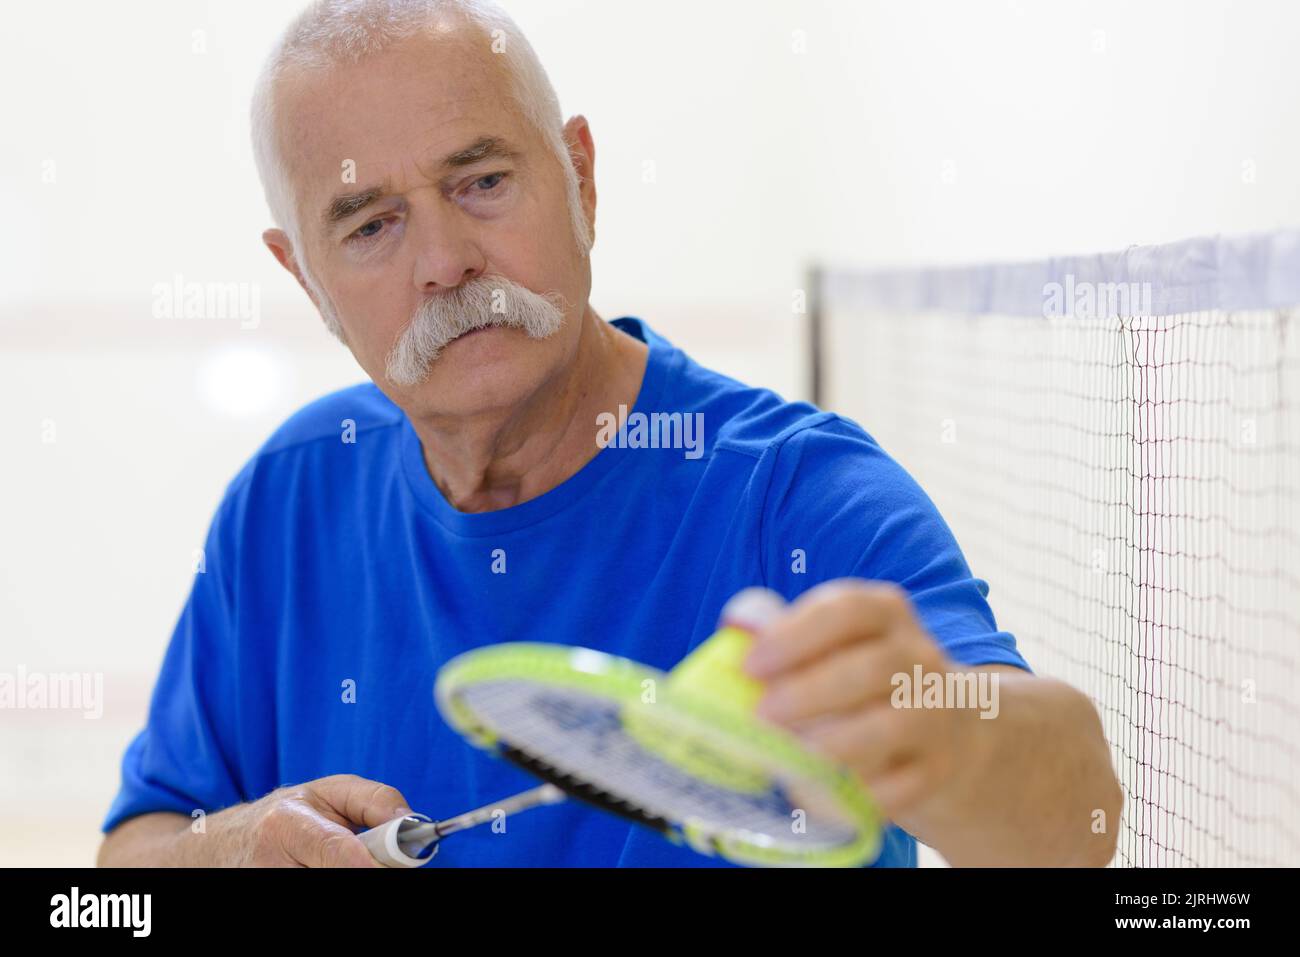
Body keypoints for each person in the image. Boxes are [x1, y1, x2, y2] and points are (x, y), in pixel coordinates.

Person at [97, 0, 1121, 868]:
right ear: (304, 278)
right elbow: (124, 862)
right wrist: (231, 847)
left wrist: (935, 731)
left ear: (580, 175)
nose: (446, 261)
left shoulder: (793, 491)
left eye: (482, 181)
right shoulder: (287, 497)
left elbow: (1077, 821)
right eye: (370, 226)